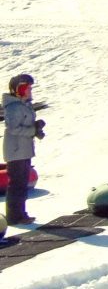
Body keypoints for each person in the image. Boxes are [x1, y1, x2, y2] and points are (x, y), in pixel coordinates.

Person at [4, 74, 43, 226]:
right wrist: (32, 130)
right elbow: (14, 129)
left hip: (23, 150)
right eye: (27, 88)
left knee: (22, 183)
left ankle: (21, 213)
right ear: (19, 89)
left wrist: (36, 127)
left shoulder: (23, 105)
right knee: (17, 184)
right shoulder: (14, 107)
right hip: (16, 151)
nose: (30, 91)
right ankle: (14, 217)